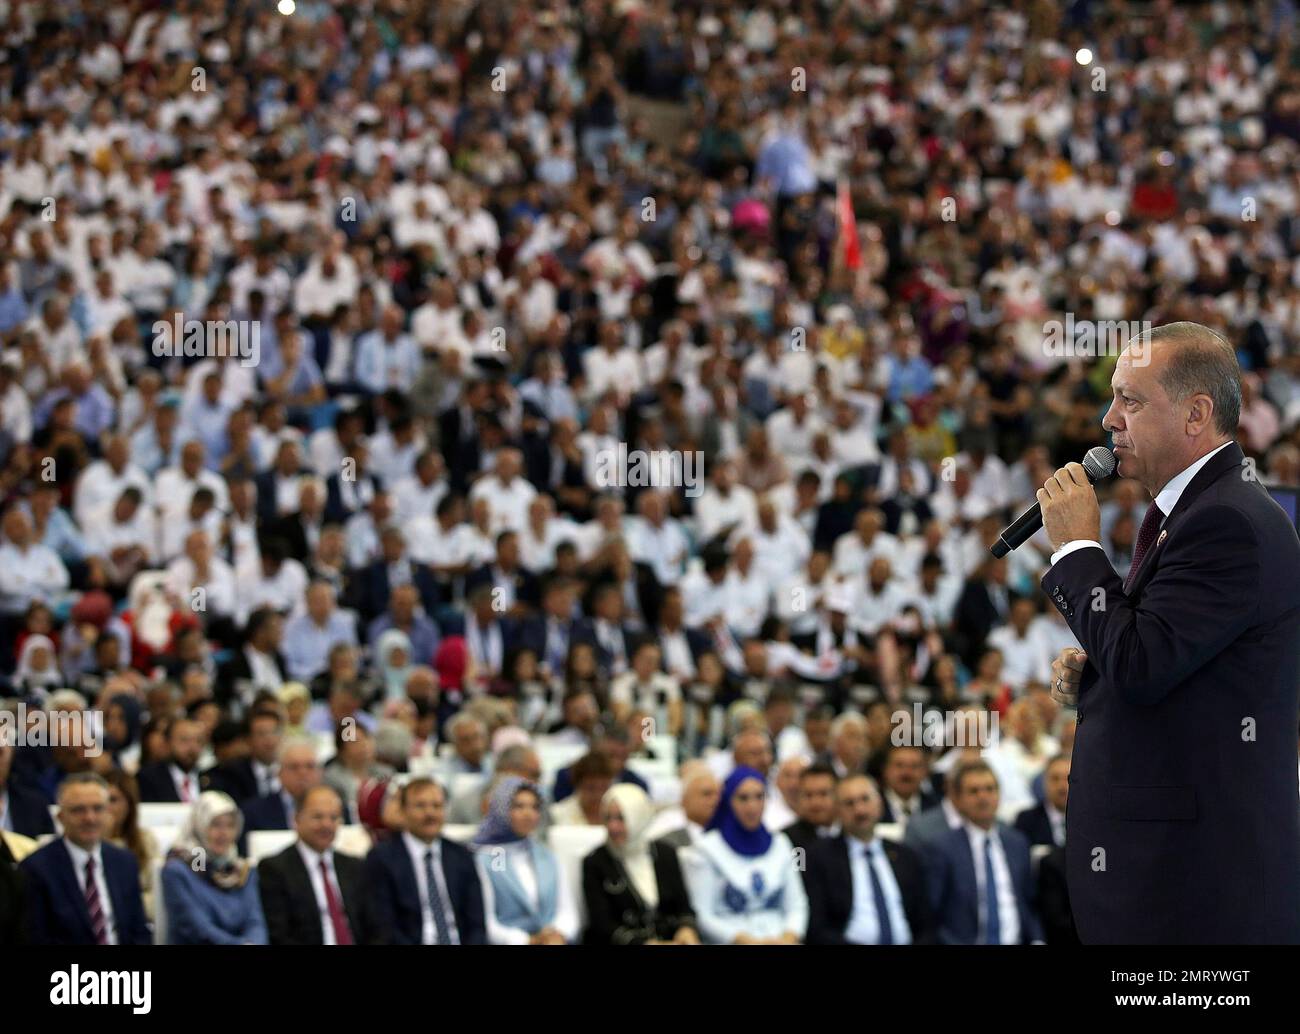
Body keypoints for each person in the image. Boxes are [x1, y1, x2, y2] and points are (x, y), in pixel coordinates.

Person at [1039, 323, 1300, 944]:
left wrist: (1076, 546)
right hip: (1172, 884)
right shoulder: (1199, 511)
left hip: (1194, 895)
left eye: (1130, 400)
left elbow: (1143, 664)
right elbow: (1162, 660)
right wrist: (1098, 671)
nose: (1108, 420)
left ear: (1196, 414)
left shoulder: (1225, 524)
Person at [681, 765, 808, 944]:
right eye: (743, 798)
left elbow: (797, 904)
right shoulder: (705, 850)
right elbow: (702, 915)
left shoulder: (782, 843)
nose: (752, 806)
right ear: (728, 801)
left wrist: (789, 937)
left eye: (759, 796)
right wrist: (744, 940)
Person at [20, 772, 151, 944]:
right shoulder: (35, 869)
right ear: (60, 817)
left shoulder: (124, 862)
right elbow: (36, 938)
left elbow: (139, 931)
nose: (90, 818)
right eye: (78, 810)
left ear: (107, 813)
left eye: (97, 808)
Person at [805, 774, 933, 945]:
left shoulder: (905, 856)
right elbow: (817, 929)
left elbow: (925, 923)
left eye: (865, 799)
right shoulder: (819, 858)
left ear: (879, 803)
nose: (859, 810)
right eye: (849, 803)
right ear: (837, 811)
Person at [923, 761, 1041, 945]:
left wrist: (1037, 939)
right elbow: (932, 914)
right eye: (974, 791)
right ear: (956, 799)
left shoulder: (1017, 842)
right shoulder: (942, 848)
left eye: (990, 789)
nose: (983, 797)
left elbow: (1028, 903)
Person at [364, 777, 486, 944]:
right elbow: (384, 928)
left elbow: (477, 925)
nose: (430, 813)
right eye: (420, 806)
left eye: (437, 806)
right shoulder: (382, 858)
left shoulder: (461, 856)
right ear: (403, 811)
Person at [582, 784, 698, 945]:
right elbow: (602, 924)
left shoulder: (666, 854)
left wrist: (687, 929)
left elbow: (684, 907)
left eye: (621, 818)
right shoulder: (596, 862)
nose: (612, 826)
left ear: (638, 817)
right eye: (608, 818)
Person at [258, 785, 373, 945]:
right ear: (296, 819)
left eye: (333, 818)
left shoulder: (355, 866)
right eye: (317, 817)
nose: (326, 824)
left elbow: (375, 926)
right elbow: (279, 934)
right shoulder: (274, 869)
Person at [473, 776, 579, 944]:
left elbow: (567, 912)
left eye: (534, 807)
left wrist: (558, 934)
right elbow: (485, 922)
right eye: (518, 806)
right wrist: (526, 940)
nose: (528, 813)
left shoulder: (546, 855)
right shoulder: (489, 857)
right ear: (501, 808)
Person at [161, 790, 268, 944]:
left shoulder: (243, 870)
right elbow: (197, 929)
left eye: (230, 826)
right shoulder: (177, 870)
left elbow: (255, 922)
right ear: (199, 825)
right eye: (215, 824)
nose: (223, 833)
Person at [103, 768, 160, 923]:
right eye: (102, 800)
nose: (105, 807)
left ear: (129, 804)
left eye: (113, 800)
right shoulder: (88, 845)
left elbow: (158, 894)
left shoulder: (146, 840)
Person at [135, 717, 204, 803]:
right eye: (184, 740)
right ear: (167, 743)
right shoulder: (148, 778)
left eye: (199, 741)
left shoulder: (211, 778)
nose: (192, 747)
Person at [782, 763, 839, 856]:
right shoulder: (787, 840)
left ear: (838, 795)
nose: (816, 802)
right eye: (809, 795)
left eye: (823, 794)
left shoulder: (851, 832)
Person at [1013, 754, 1069, 848]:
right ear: (1044, 782)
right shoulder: (1026, 821)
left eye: (1068, 779)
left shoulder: (1089, 820)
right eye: (1055, 779)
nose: (1062, 786)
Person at [549, 751, 614, 826]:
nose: (598, 794)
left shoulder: (618, 815)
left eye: (603, 787)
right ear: (578, 785)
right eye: (591, 788)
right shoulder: (558, 814)